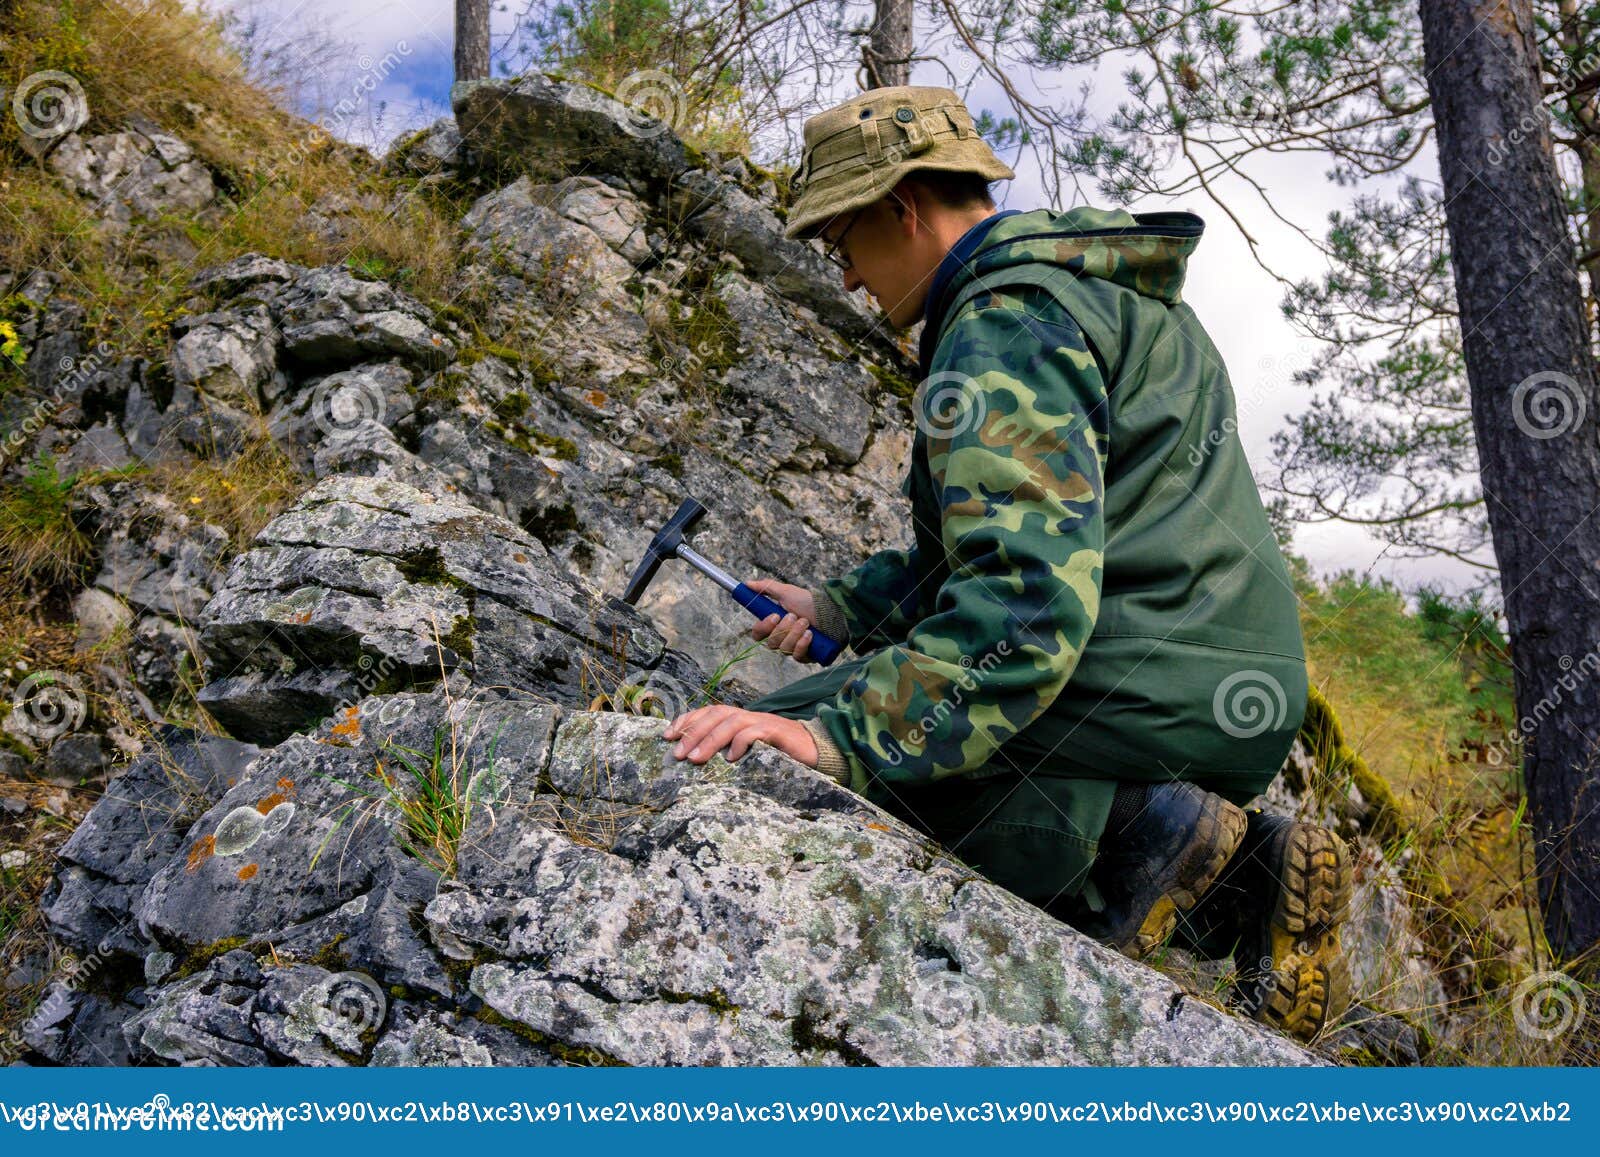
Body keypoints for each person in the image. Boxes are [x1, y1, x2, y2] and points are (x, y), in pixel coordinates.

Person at [662, 85, 1351, 1041]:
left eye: (844, 243)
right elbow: (1012, 552)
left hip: (1137, 685)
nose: (851, 279)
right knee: (879, 715)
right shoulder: (1112, 295)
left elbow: (1026, 612)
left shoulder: (1004, 320)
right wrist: (839, 605)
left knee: (756, 748)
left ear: (902, 207)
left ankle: (1151, 841)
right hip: (1227, 686)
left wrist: (840, 741)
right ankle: (1236, 875)